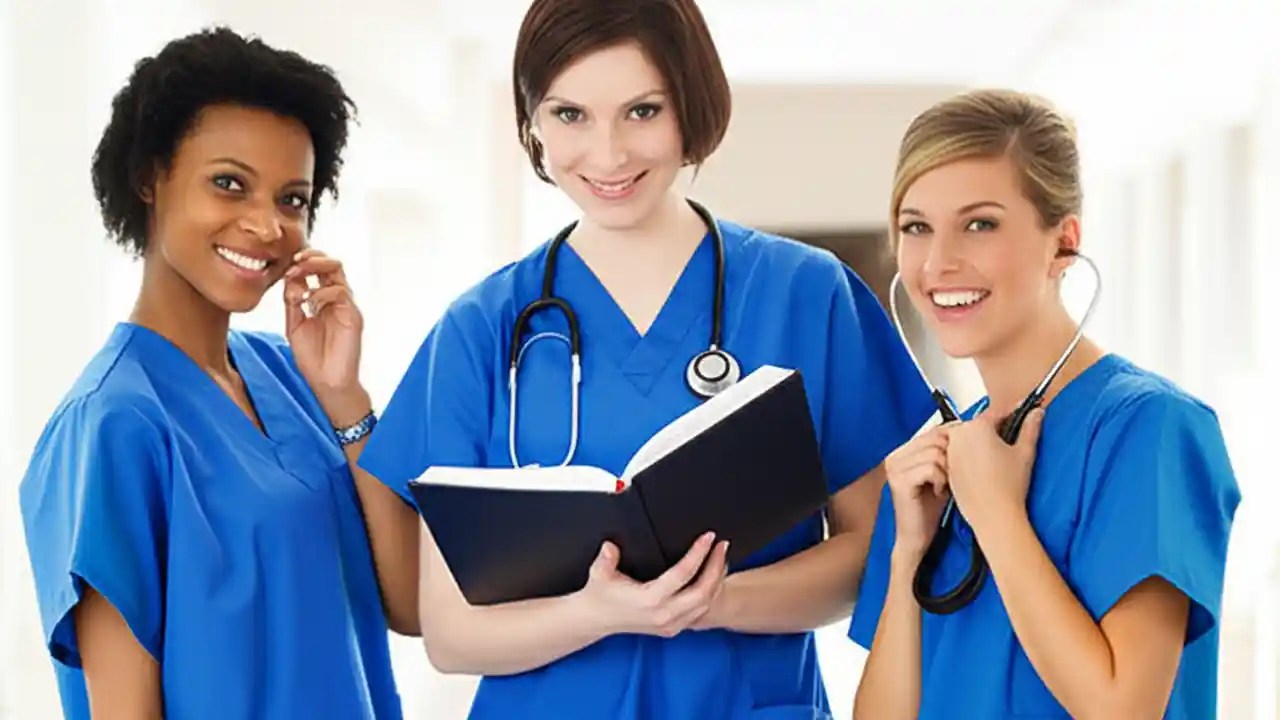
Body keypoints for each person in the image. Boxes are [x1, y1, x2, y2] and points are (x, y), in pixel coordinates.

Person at [356, 1, 935, 718]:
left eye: (642, 111)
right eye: (570, 115)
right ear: (532, 121)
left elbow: (870, 556)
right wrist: (605, 613)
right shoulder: (480, 329)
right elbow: (449, 633)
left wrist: (716, 602)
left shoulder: (806, 296)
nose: (607, 155)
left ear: (692, 107)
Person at [19, 27, 418, 719]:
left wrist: (344, 396)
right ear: (150, 178)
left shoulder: (290, 375)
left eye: (292, 199)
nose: (267, 226)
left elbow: (411, 603)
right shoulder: (113, 422)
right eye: (229, 185)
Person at [849, 88, 1242, 719]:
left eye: (980, 224)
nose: (939, 262)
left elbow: (1122, 710)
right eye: (916, 227)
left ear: (1063, 243)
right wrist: (907, 556)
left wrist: (998, 515)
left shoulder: (1152, 429)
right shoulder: (934, 467)